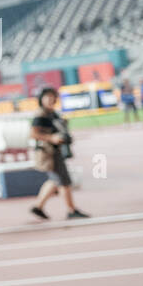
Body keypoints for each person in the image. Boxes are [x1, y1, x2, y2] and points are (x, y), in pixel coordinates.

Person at [29, 87, 90, 221]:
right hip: (49, 153)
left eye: (53, 97)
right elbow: (33, 134)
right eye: (48, 97)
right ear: (41, 99)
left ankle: (38, 207)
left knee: (55, 180)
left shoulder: (53, 113)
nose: (51, 100)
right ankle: (71, 210)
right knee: (64, 181)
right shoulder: (41, 115)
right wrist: (52, 138)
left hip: (56, 151)